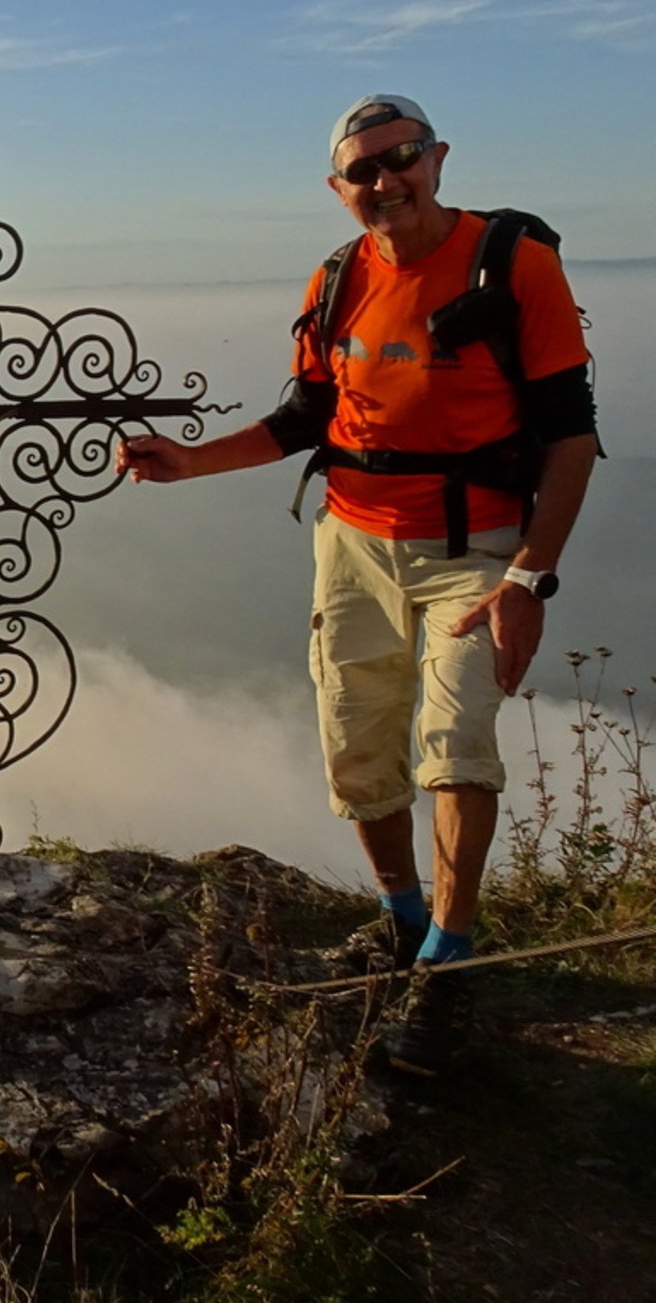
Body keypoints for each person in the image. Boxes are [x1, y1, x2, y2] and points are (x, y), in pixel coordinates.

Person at [116, 94, 601, 1077]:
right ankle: (403, 921)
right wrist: (191, 462)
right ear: (337, 188)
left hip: (476, 550)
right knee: (355, 744)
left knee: (456, 745)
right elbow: (307, 417)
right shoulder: (337, 277)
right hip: (351, 543)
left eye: (402, 156)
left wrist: (526, 578)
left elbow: (570, 436)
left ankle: (447, 965)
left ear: (437, 156)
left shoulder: (511, 264)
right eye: (362, 170)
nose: (385, 180)